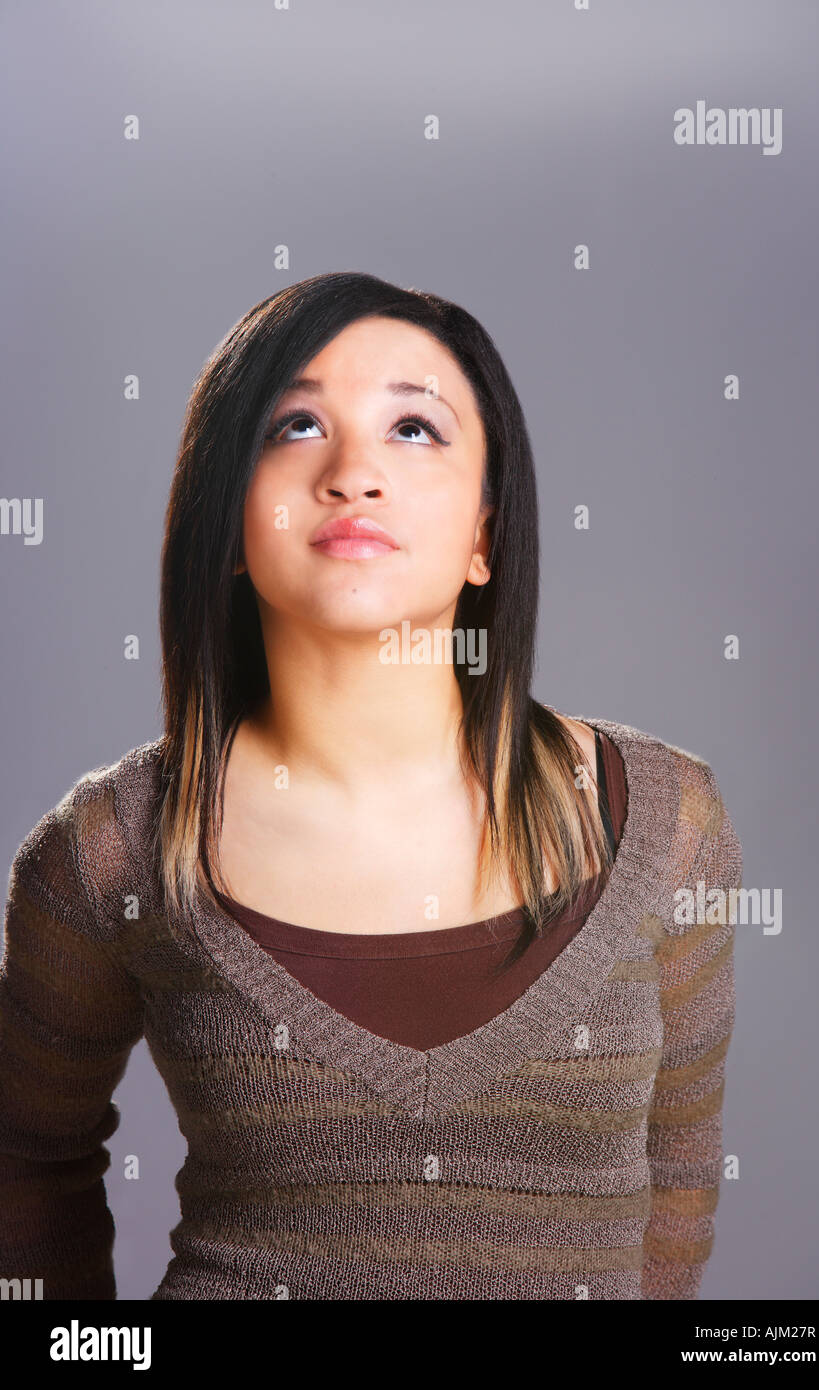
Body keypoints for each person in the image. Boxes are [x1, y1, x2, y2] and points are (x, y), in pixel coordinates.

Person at [0, 270, 742, 1300]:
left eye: (413, 429)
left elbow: (680, 1178)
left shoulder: (669, 829)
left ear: (485, 534)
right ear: (229, 518)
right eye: (296, 424)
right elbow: (26, 1168)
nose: (352, 472)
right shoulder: (106, 853)